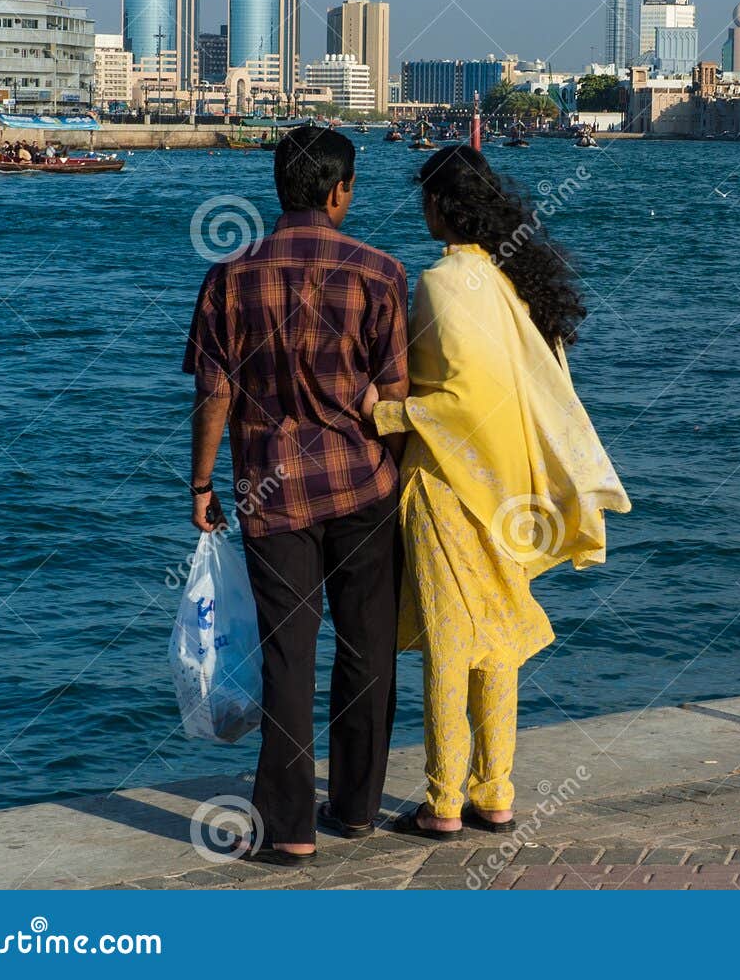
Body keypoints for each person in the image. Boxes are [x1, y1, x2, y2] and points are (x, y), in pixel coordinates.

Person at [369, 145, 630, 839]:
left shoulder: (441, 282)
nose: (420, 208)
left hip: (449, 485)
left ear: (443, 206)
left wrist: (385, 412)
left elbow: (464, 397)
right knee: (498, 639)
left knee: (451, 644)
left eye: (425, 197)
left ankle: (444, 801)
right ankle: (496, 793)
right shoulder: (515, 282)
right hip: (511, 489)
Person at [183, 125, 408, 867]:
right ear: (339, 192)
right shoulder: (381, 273)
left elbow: (212, 394)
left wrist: (202, 482)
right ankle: (356, 808)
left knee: (288, 654)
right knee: (367, 646)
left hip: (271, 493)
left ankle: (288, 828)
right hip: (362, 483)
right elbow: (397, 395)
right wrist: (395, 472)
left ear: (281, 187)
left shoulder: (229, 276)